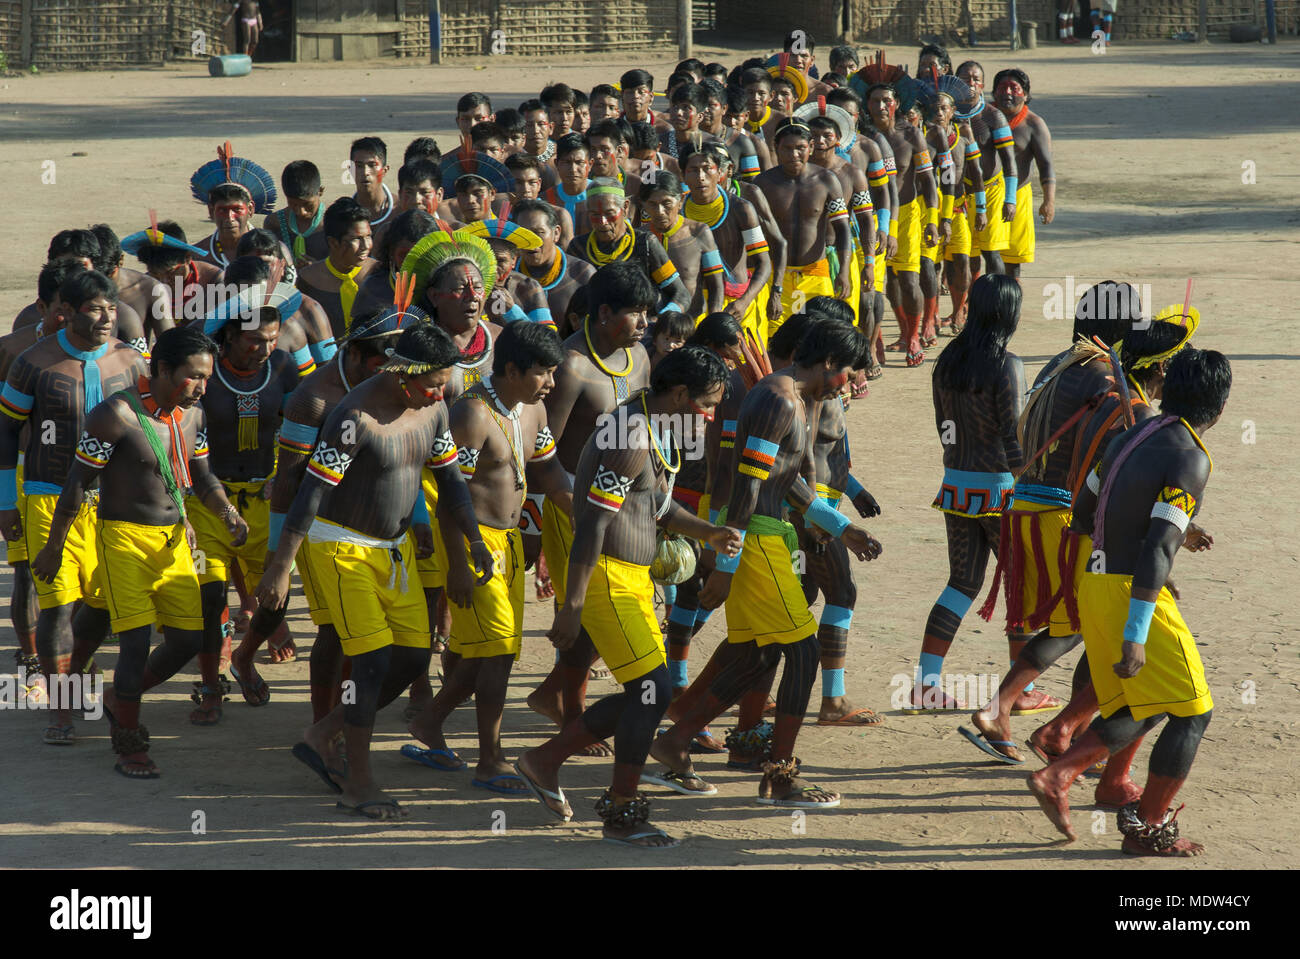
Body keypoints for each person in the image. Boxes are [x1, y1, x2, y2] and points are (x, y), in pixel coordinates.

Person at [256, 322, 492, 820]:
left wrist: (472, 541)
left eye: (445, 383)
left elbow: (450, 483)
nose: (441, 393)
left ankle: (323, 733)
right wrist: (280, 567)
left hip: (394, 550)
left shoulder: (433, 409)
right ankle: (358, 783)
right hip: (339, 549)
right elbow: (310, 492)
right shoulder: (352, 416)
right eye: (433, 384)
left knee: (409, 658)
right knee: (370, 662)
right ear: (402, 374)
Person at [648, 320, 883, 805]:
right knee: (801, 651)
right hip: (755, 540)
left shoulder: (790, 397)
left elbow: (786, 480)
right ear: (827, 363)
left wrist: (842, 528)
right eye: (848, 374)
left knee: (754, 653)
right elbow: (749, 486)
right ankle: (780, 775)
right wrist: (728, 565)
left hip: (763, 534)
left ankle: (674, 741)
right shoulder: (778, 400)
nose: (849, 384)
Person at [515, 346, 739, 847]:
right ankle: (620, 810)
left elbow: (655, 506)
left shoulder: (649, 424)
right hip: (609, 580)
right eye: (706, 404)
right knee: (652, 691)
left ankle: (544, 761)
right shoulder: (630, 436)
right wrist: (572, 606)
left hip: (632, 579)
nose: (709, 414)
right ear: (679, 393)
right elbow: (593, 522)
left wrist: (708, 532)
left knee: (649, 692)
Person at [967, 310, 1197, 784]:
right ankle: (1017, 713)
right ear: (1158, 369)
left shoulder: (1080, 367)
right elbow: (1115, 488)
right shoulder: (1133, 408)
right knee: (1097, 633)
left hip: (1039, 511)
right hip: (1069, 521)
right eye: (1170, 368)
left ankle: (1064, 730)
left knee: (1088, 631)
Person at [1028, 347, 1228, 855]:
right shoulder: (1190, 456)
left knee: (1151, 701)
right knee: (1193, 713)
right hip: (1131, 590)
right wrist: (1137, 631)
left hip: (1095, 582)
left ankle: (1062, 774)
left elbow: (1085, 508)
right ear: (1219, 407)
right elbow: (1160, 544)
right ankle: (1150, 827)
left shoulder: (1127, 436)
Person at [33, 326, 248, 776]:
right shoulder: (114, 416)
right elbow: (76, 484)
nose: (202, 387)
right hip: (122, 541)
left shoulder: (192, 416)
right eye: (193, 377)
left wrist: (227, 513)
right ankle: (129, 745)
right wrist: (55, 547)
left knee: (188, 639)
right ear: (163, 369)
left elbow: (204, 477)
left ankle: (117, 697)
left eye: (206, 377)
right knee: (133, 643)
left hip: (173, 543)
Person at [406, 321, 571, 792]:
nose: (552, 384)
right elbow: (449, 494)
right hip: (473, 545)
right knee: (497, 653)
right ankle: (489, 760)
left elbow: (552, 474)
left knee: (491, 651)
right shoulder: (473, 415)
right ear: (513, 369)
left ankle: (430, 720)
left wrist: (587, 514)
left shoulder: (532, 411)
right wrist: (456, 563)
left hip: (507, 544)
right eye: (543, 373)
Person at [1, 271, 149, 743]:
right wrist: (6, 503)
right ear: (66, 310)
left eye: (111, 308)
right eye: (95, 309)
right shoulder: (33, 363)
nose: (107, 318)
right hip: (47, 497)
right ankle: (61, 711)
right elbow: (4, 433)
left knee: (104, 606)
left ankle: (75, 672)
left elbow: (156, 430)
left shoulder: (131, 362)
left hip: (115, 505)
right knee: (58, 607)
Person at [524, 262, 655, 755]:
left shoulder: (638, 355)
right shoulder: (571, 365)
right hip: (573, 507)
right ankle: (571, 711)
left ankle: (553, 693)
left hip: (625, 504)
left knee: (613, 605)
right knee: (586, 607)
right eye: (634, 313)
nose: (643, 323)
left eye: (646, 313)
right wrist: (569, 503)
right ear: (602, 313)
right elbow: (543, 448)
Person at [273, 305, 408, 727]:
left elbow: (407, 461)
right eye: (381, 363)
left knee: (373, 639)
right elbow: (289, 482)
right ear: (354, 356)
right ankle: (324, 722)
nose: (391, 374)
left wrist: (417, 518)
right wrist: (280, 558)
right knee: (335, 634)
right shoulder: (312, 400)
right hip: (321, 533)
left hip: (378, 536)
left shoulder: (393, 388)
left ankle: (341, 718)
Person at [910, 275, 1025, 714]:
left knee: (961, 584)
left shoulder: (947, 361)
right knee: (1021, 588)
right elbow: (1013, 438)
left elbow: (945, 427)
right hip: (999, 490)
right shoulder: (1006, 364)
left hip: (956, 484)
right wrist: (1030, 489)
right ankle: (1021, 690)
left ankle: (926, 682)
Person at [187, 277, 300, 720]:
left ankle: (244, 656)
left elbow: (301, 429)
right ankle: (212, 688)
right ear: (229, 336)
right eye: (253, 340)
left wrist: (285, 477)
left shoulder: (287, 366)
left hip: (267, 502)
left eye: (270, 339)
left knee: (275, 598)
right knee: (210, 599)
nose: (263, 348)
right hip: (206, 504)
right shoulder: (204, 369)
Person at [776, 301, 884, 726]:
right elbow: (801, 461)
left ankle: (760, 691)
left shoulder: (815, 388)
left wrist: (853, 490)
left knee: (799, 598)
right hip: (810, 511)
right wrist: (825, 520)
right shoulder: (806, 393)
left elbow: (828, 451)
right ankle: (831, 700)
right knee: (840, 593)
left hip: (817, 506)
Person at [0, 260, 83, 691]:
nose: (69, 322)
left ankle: (71, 666)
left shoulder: (106, 356)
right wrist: (3, 500)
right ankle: (33, 660)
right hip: (25, 474)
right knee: (28, 574)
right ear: (42, 307)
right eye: (61, 313)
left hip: (87, 486)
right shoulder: (14, 351)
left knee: (84, 587)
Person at [753, 120, 853, 336]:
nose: (794, 155)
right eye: (787, 149)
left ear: (811, 146)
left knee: (820, 337)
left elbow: (843, 229)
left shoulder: (827, 180)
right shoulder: (763, 184)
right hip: (775, 276)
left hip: (815, 273)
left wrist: (844, 271)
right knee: (774, 338)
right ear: (776, 148)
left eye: (800, 148)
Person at [866, 83, 939, 366]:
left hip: (908, 214)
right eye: (875, 100)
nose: (882, 106)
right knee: (880, 283)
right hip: (868, 216)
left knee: (909, 279)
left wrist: (932, 220)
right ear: (867, 104)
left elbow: (927, 181)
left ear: (897, 102)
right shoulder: (862, 135)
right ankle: (883, 336)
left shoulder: (912, 135)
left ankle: (913, 335)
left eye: (887, 100)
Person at [679, 142, 778, 343]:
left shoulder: (741, 209)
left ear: (720, 173)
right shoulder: (677, 211)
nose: (701, 177)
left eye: (707, 169)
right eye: (693, 170)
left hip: (736, 306)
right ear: (683, 176)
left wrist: (744, 302)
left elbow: (764, 262)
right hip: (694, 307)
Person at [569, 180, 690, 315]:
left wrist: (665, 318)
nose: (603, 222)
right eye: (595, 215)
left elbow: (681, 294)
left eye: (609, 213)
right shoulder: (578, 248)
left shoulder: (645, 244)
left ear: (625, 207)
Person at [955, 61, 1020, 277]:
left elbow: (1010, 163)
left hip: (991, 192)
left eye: (976, 79)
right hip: (958, 193)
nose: (971, 83)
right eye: (966, 79)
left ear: (982, 85)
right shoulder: (946, 114)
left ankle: (995, 301)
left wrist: (1010, 199)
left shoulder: (994, 117)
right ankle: (964, 307)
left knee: (991, 252)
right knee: (962, 253)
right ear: (956, 83)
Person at [992, 69, 1056, 281]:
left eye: (1014, 88)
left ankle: (1010, 307)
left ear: (1026, 95)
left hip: (1018, 197)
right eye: (1002, 88)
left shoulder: (1034, 124)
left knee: (1012, 261)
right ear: (993, 92)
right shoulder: (983, 118)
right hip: (985, 196)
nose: (1007, 92)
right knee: (981, 255)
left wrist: (1049, 201)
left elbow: (1046, 166)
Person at [639, 171, 725, 317]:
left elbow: (716, 285)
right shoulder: (639, 238)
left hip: (693, 324)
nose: (660, 212)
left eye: (666, 203)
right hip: (651, 329)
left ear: (681, 201)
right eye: (652, 204)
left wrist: (713, 322)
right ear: (643, 206)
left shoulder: (700, 233)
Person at [188, 144, 279, 271]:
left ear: (251, 209)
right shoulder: (197, 257)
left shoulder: (274, 252)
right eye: (222, 210)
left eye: (237, 209)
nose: (230, 218)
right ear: (211, 211)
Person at [512, 199, 595, 338]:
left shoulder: (582, 274)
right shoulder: (508, 277)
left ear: (556, 233)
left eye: (538, 233)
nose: (530, 242)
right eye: (523, 234)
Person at [295, 198, 375, 339]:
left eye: (368, 236)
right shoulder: (308, 280)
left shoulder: (379, 272)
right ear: (333, 242)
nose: (365, 246)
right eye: (356, 239)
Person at [88, 225, 172, 350]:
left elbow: (169, 345)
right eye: (96, 276)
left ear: (121, 261)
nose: (102, 283)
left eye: (108, 275)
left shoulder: (151, 289)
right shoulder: (77, 290)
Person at [464, 216, 554, 329]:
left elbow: (547, 339)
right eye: (486, 259)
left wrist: (512, 311)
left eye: (500, 261)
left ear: (514, 261)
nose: (492, 267)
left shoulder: (528, 287)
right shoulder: (464, 288)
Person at [264, 160, 330, 268]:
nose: (301, 212)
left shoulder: (333, 220)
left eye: (307, 204)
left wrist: (318, 268)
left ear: (320, 191)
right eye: (293, 204)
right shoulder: (273, 223)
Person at [544, 133, 593, 234]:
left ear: (590, 164)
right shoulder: (545, 200)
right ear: (556, 164)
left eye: (579, 162)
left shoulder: (602, 196)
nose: (573, 169)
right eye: (566, 162)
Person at [349, 136, 395, 231]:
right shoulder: (343, 214)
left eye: (372, 165)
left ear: (384, 170)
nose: (365, 172)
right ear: (351, 170)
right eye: (359, 166)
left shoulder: (399, 209)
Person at [517, 99, 560, 191]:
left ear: (551, 128)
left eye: (541, 124)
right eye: (529, 125)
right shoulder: (513, 157)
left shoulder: (562, 155)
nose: (536, 131)